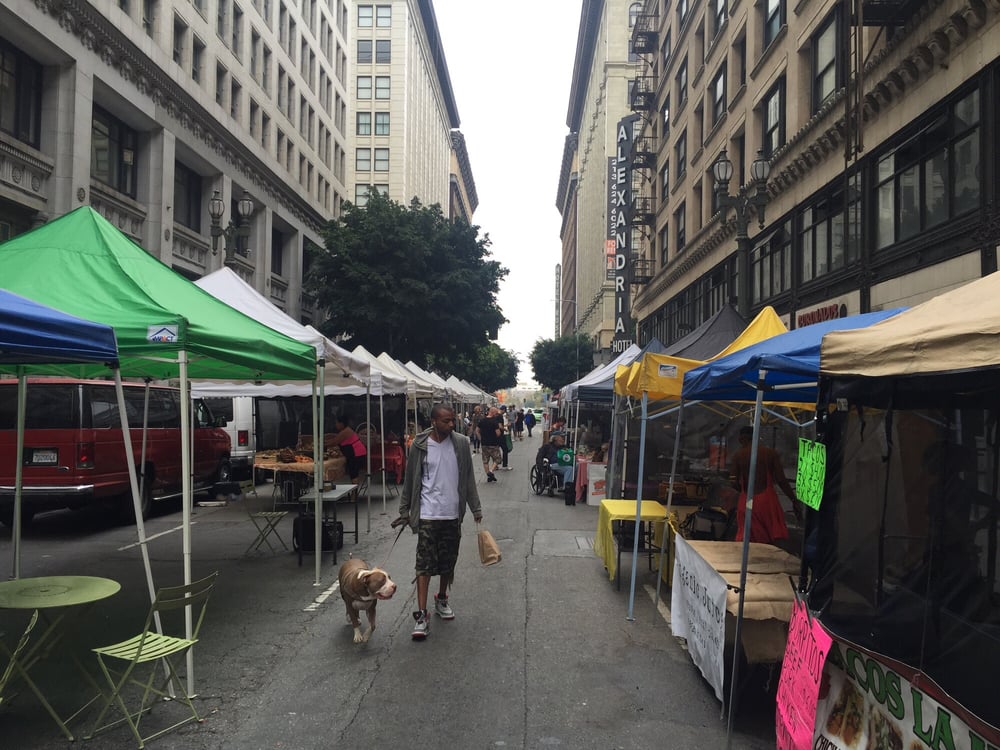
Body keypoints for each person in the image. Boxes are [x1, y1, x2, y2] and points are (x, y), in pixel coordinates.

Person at [393, 404, 482, 640]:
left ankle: (441, 598)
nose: (451, 424)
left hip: (453, 513)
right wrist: (405, 510)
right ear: (433, 421)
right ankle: (421, 614)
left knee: (447, 562)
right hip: (427, 514)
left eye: (452, 420)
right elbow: (411, 480)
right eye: (446, 421)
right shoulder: (419, 445)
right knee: (423, 564)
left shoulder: (461, 443)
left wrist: (476, 507)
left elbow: (468, 478)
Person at [728, 426, 798, 543]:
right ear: (757, 438)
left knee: (748, 538)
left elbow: (733, 481)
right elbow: (781, 480)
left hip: (748, 501)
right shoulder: (770, 453)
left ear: (741, 439)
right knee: (768, 539)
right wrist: (793, 500)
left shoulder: (738, 455)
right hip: (766, 502)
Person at [330, 415, 367, 484]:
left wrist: (320, 444)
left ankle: (354, 493)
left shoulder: (346, 431)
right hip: (357, 453)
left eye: (336, 423)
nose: (336, 425)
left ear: (341, 423)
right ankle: (354, 491)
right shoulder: (345, 430)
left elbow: (334, 442)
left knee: (354, 474)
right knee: (353, 473)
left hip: (357, 453)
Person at [476, 406, 504, 482]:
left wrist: (480, 438)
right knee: (497, 459)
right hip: (493, 443)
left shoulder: (482, 420)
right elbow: (498, 433)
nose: (496, 415)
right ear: (493, 412)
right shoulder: (494, 422)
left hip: (484, 443)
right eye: (496, 413)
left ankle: (489, 475)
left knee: (485, 460)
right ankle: (491, 471)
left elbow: (477, 430)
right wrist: (498, 436)